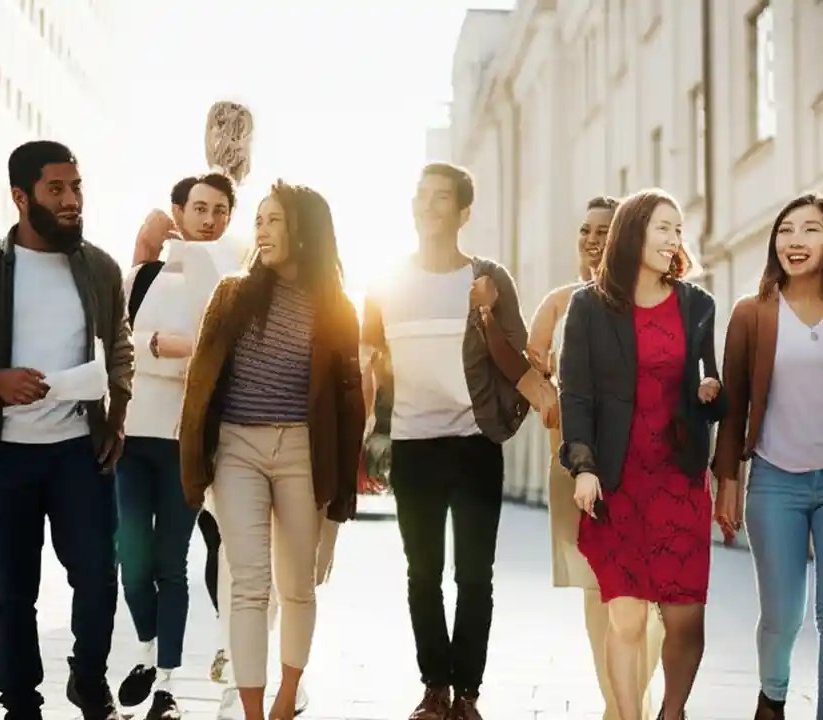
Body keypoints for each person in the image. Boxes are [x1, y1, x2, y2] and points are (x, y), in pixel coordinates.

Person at [0, 140, 133, 720]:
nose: (71, 201)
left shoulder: (99, 268)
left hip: (78, 453)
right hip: (3, 459)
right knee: (13, 593)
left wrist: (118, 415)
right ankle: (20, 704)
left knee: (99, 577)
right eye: (55, 189)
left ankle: (88, 680)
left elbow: (120, 348)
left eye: (76, 187)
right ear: (21, 197)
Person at [178, 180, 364, 720]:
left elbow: (350, 403)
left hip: (302, 450)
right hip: (238, 448)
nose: (261, 230)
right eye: (258, 220)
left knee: (297, 585)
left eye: (274, 219)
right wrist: (196, 464)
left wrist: (342, 492)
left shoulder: (336, 308)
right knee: (249, 584)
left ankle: (287, 698)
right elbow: (199, 385)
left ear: (303, 230)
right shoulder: (232, 295)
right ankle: (252, 712)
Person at [363, 162, 540, 720]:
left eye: (441, 197)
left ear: (463, 212)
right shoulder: (385, 285)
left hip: (474, 443)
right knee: (422, 575)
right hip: (413, 444)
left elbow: (515, 361)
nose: (426, 205)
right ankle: (435, 688)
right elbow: (368, 367)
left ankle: (467, 694)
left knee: (474, 576)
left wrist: (484, 310)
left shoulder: (488, 278)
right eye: (421, 195)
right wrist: (366, 438)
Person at [712, 193, 823, 720]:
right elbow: (734, 405)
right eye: (786, 230)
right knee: (782, 615)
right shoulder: (752, 314)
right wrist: (727, 480)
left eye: (810, 230)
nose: (795, 240)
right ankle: (773, 698)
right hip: (775, 481)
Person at [559, 188, 724, 720]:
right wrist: (583, 467)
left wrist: (711, 392)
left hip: (678, 479)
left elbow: (709, 384)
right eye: (663, 227)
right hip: (617, 479)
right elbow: (575, 395)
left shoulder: (697, 305)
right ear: (634, 231)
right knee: (626, 618)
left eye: (678, 229)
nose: (673, 239)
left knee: (685, 619)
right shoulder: (589, 306)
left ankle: (671, 713)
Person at [531, 196, 666, 719]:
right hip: (577, 470)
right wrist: (548, 397)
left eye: (603, 230)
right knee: (597, 591)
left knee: (648, 596)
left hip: (645, 467)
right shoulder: (560, 303)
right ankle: (617, 705)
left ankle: (627, 704)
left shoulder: (652, 300)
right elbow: (529, 371)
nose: (591, 239)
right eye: (584, 230)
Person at [113, 172, 236, 720]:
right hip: (132, 436)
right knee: (132, 559)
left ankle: (166, 685)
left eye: (219, 210)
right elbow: (117, 345)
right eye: (199, 208)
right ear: (178, 213)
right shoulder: (141, 278)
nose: (209, 220)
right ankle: (144, 653)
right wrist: (168, 346)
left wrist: (162, 351)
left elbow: (226, 357)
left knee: (172, 562)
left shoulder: (230, 283)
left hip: (188, 441)